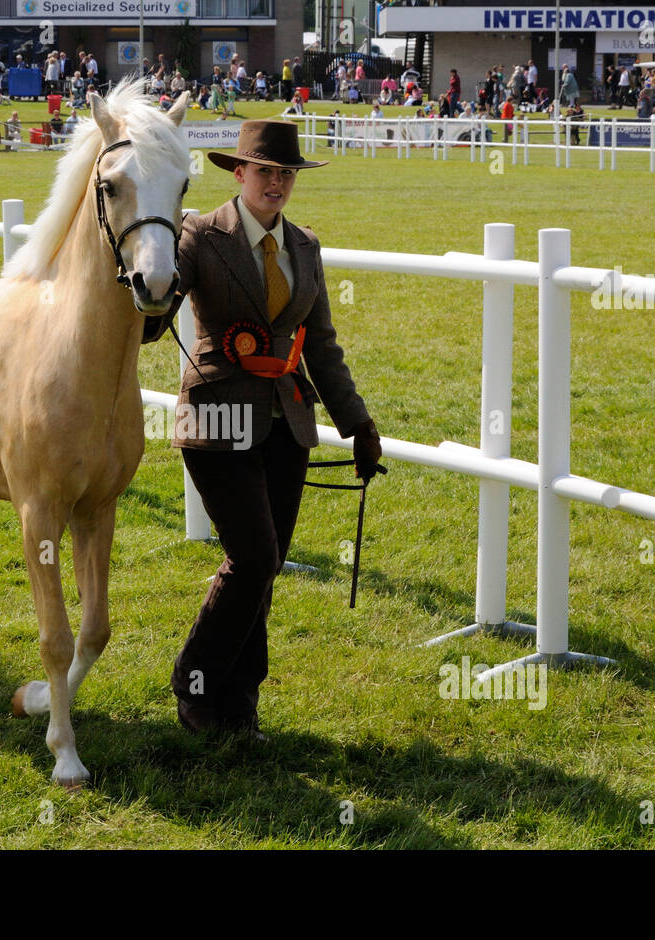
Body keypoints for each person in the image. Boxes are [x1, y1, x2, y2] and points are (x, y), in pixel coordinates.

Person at [141, 120, 383, 740]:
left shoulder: (305, 246)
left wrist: (357, 423)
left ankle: (240, 701)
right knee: (254, 557)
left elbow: (321, 345)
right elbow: (159, 305)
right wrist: (146, 300)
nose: (277, 183)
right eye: (266, 171)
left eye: (287, 174)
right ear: (239, 173)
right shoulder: (198, 233)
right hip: (216, 417)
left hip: (285, 424)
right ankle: (194, 681)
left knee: (263, 566)